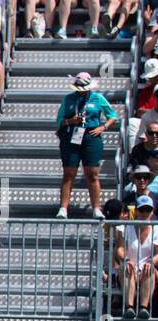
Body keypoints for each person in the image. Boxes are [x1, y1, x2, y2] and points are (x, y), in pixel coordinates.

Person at [56, 72, 116, 219]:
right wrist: (71, 121)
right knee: (69, 173)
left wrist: (103, 127)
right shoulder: (69, 99)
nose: (81, 90)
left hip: (91, 136)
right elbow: (59, 120)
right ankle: (63, 208)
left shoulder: (97, 98)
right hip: (72, 135)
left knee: (92, 173)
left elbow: (112, 116)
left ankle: (96, 208)